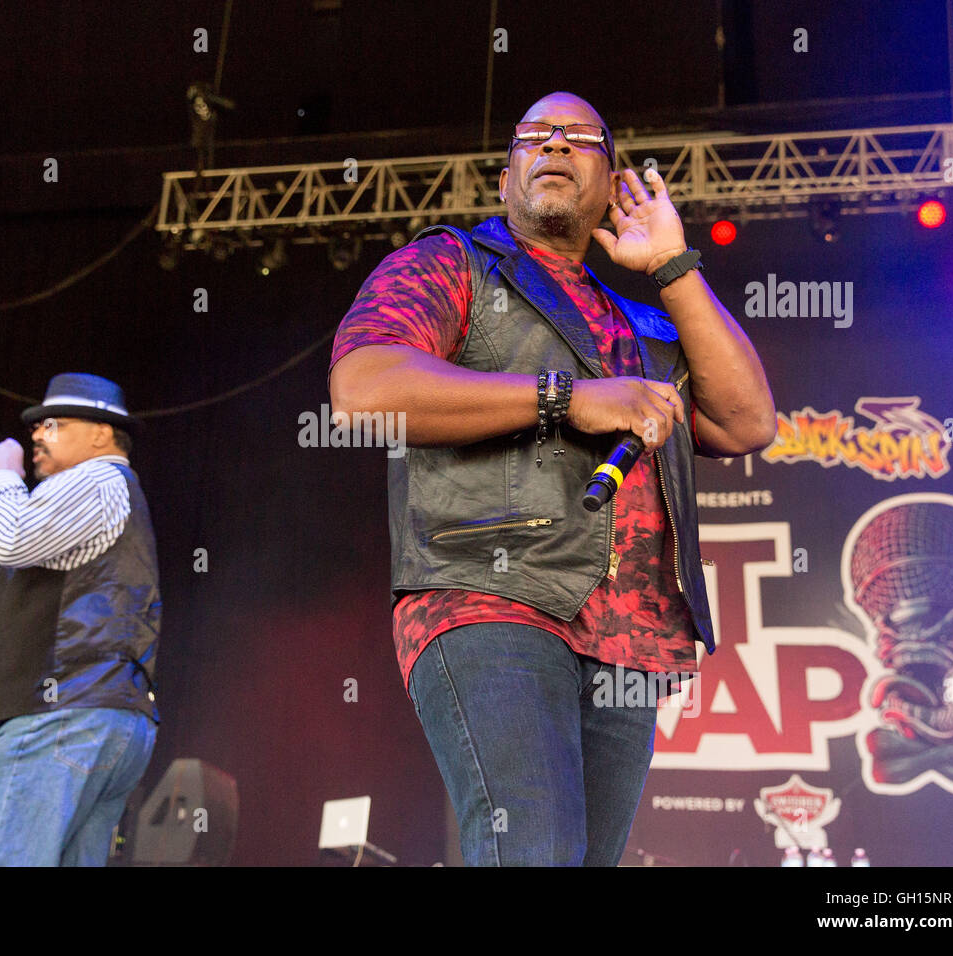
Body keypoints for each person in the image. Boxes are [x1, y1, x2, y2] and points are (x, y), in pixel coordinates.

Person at [328, 92, 777, 866]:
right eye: (535, 136)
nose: (556, 146)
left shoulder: (645, 325)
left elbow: (746, 422)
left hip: (632, 639)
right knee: (533, 850)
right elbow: (364, 393)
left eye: (580, 139)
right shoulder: (451, 263)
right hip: (491, 596)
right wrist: (566, 399)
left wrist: (673, 267)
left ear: (610, 185)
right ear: (506, 180)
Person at [0, 372, 162, 866]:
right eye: (37, 425)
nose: (36, 434)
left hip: (62, 712)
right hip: (101, 715)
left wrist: (1, 473)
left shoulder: (99, 477)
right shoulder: (109, 492)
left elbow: (14, 539)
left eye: (54, 424)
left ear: (102, 434)